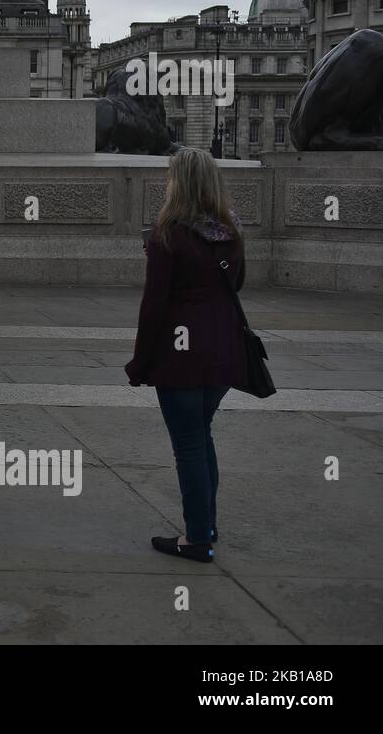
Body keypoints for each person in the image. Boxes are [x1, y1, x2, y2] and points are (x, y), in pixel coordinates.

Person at [126, 147, 247, 564]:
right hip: (224, 350)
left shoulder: (169, 232)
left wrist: (140, 363)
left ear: (179, 182)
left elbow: (154, 304)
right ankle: (207, 523)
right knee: (202, 435)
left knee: (189, 446)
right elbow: (238, 285)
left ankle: (197, 538)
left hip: (180, 354)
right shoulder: (230, 231)